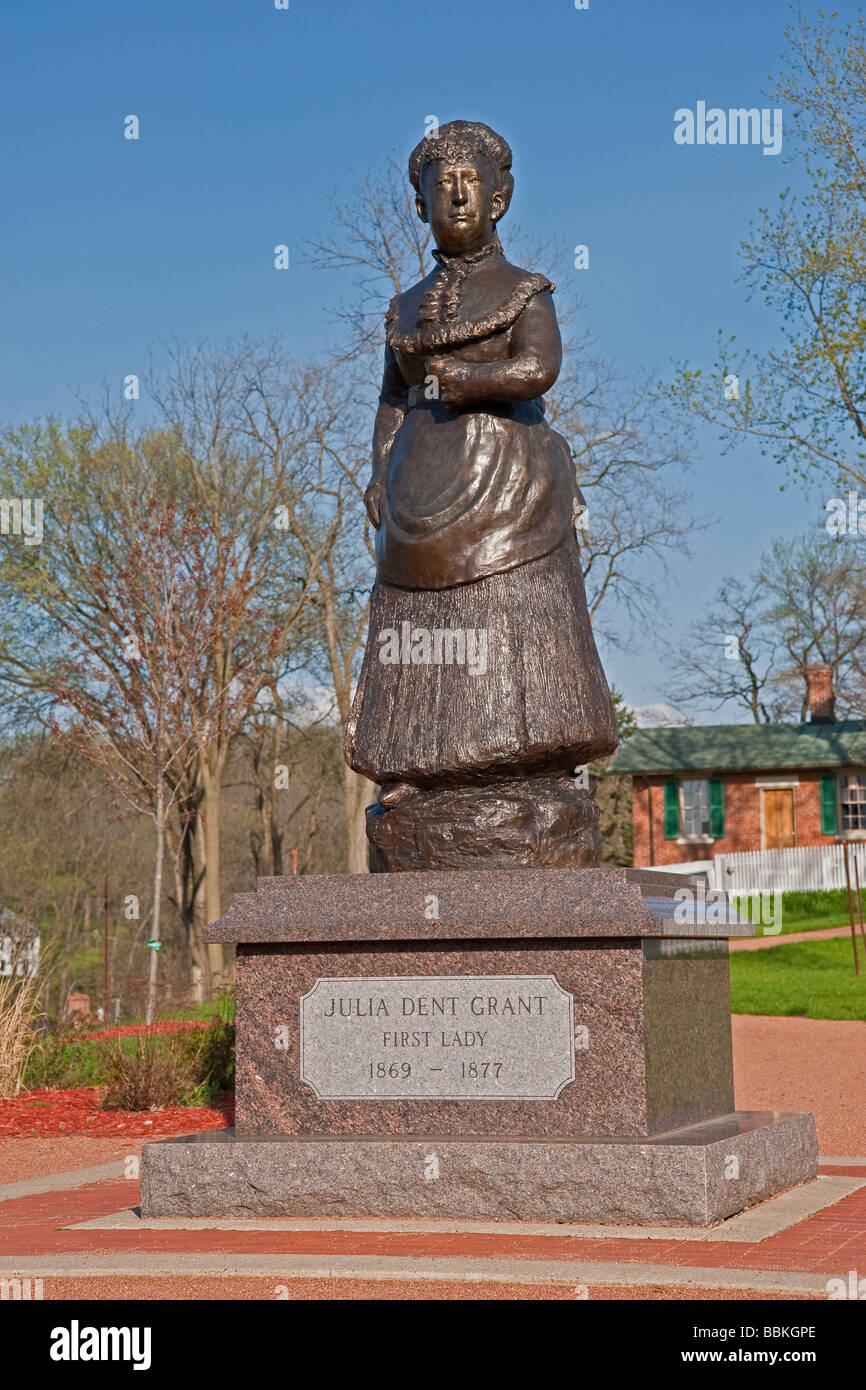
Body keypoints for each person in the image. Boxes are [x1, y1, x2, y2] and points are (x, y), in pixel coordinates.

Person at [346, 121, 616, 841]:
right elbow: (391, 399)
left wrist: (467, 382)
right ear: (421, 205)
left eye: (472, 184)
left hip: (506, 485)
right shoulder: (403, 308)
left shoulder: (525, 290)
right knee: (417, 631)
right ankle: (416, 764)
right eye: (443, 187)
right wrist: (378, 470)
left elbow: (539, 368)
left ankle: (526, 761)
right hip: (418, 492)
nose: (457, 196)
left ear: (500, 198)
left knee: (505, 614)